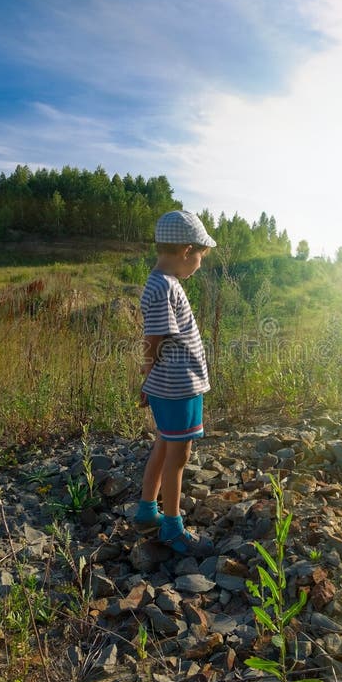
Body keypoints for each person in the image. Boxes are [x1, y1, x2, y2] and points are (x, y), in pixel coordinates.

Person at [133, 210, 216, 557]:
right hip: (176, 386)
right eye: (199, 256)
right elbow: (153, 339)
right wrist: (146, 377)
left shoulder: (164, 283)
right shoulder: (163, 287)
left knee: (164, 446)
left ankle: (146, 511)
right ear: (185, 249)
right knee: (178, 455)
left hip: (174, 384)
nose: (199, 263)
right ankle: (171, 527)